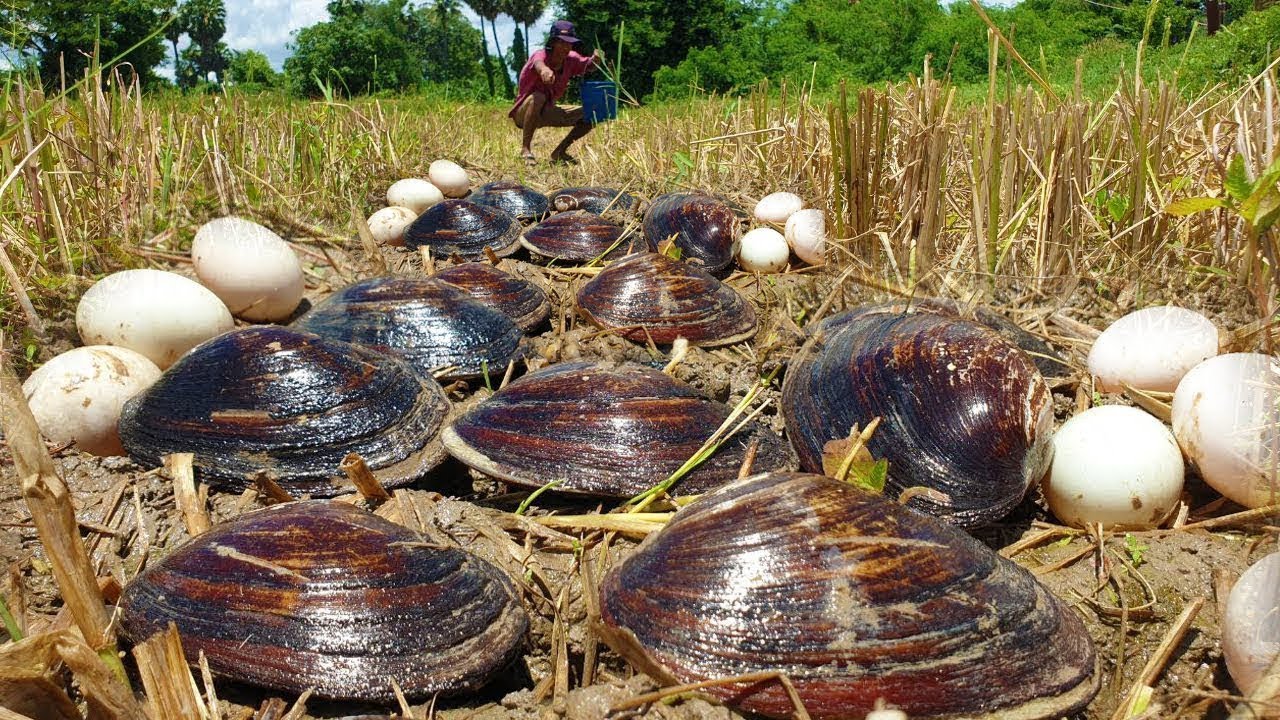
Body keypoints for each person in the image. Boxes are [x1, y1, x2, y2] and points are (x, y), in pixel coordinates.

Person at [509, 20, 603, 165]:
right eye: (561, 42)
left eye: (569, 43)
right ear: (553, 42)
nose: (566, 47)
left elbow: (588, 66)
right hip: (524, 112)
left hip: (548, 111)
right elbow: (538, 64)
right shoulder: (540, 55)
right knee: (538, 97)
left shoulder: (571, 59)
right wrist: (545, 71)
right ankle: (525, 149)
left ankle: (559, 152)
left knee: (594, 113)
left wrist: (595, 60)